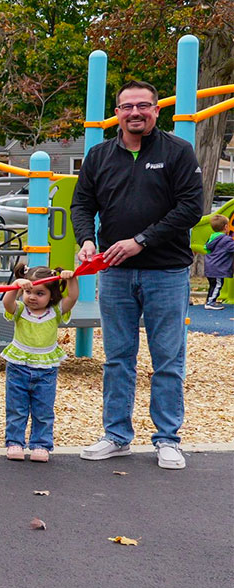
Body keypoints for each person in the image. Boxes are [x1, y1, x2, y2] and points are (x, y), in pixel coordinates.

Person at [71, 79, 204, 470]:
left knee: (167, 359)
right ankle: (116, 436)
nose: (135, 113)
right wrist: (86, 240)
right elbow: (82, 204)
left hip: (167, 271)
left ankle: (167, 439)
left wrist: (141, 241)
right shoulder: (98, 156)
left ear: (156, 111)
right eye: (127, 106)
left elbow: (190, 208)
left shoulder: (178, 152)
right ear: (117, 112)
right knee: (117, 358)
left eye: (143, 106)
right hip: (114, 273)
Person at [1, 263, 79, 462]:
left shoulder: (55, 312)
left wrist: (71, 279)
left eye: (39, 293)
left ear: (52, 296)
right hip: (18, 367)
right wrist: (15, 287)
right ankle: (15, 442)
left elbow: (72, 297)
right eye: (28, 292)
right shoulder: (20, 310)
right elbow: (7, 303)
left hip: (45, 370)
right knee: (16, 408)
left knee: (43, 410)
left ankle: (41, 444)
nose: (32, 297)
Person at [200, 214, 232, 309]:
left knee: (213, 285)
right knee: (217, 285)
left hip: (210, 267)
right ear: (226, 227)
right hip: (217, 268)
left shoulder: (212, 238)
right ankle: (210, 303)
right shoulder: (226, 240)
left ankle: (210, 300)